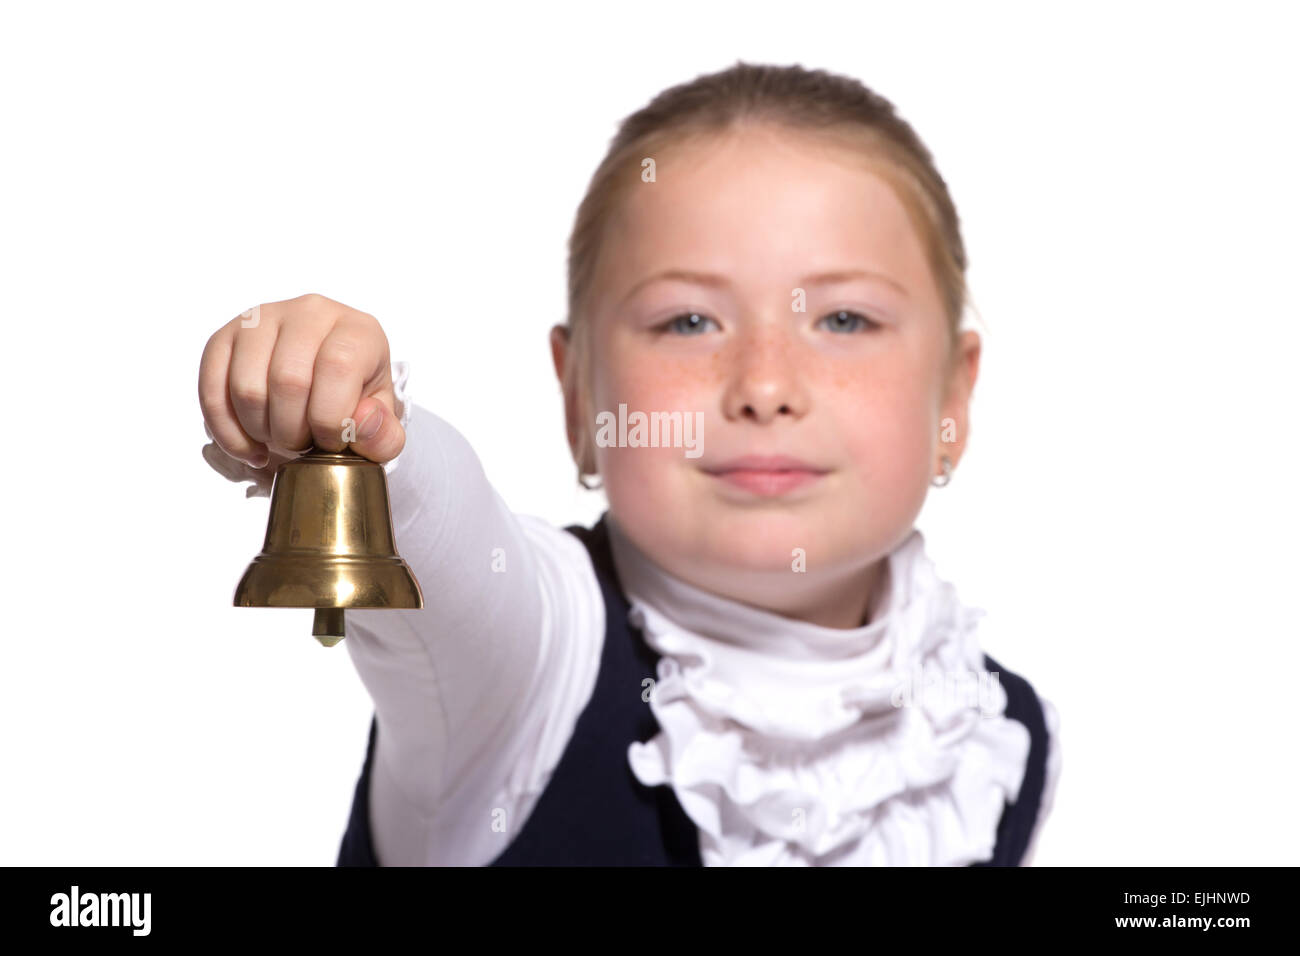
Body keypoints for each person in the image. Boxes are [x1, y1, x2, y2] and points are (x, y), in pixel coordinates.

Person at [198, 61, 1061, 866]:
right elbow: (449, 547)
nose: (765, 386)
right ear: (578, 399)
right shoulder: (535, 665)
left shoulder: (1000, 735)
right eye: (688, 321)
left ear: (953, 398)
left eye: (843, 321)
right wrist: (360, 418)